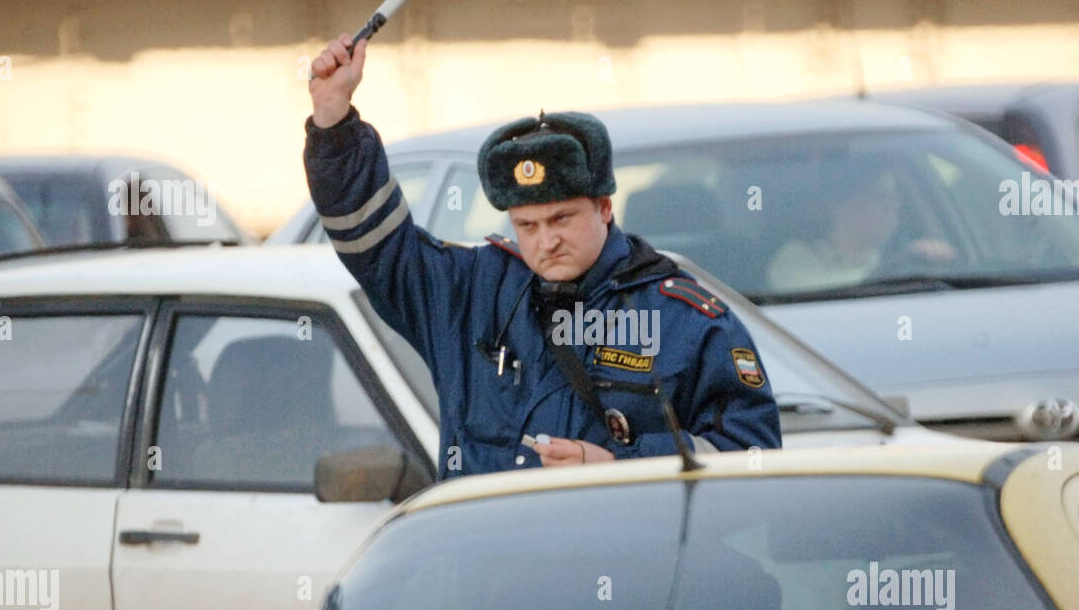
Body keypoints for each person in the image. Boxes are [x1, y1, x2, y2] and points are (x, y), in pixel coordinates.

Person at [305, 34, 782, 479]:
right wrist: (333, 122)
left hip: (633, 560)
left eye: (561, 220)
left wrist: (617, 464)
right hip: (490, 560)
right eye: (526, 225)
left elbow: (753, 458)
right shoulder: (470, 292)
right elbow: (376, 244)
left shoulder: (685, 318)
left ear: (604, 207)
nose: (545, 241)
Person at [767, 162, 957, 292]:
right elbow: (824, 296)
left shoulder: (897, 258)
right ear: (840, 205)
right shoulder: (795, 258)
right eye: (880, 196)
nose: (893, 205)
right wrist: (895, 271)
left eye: (895, 196)